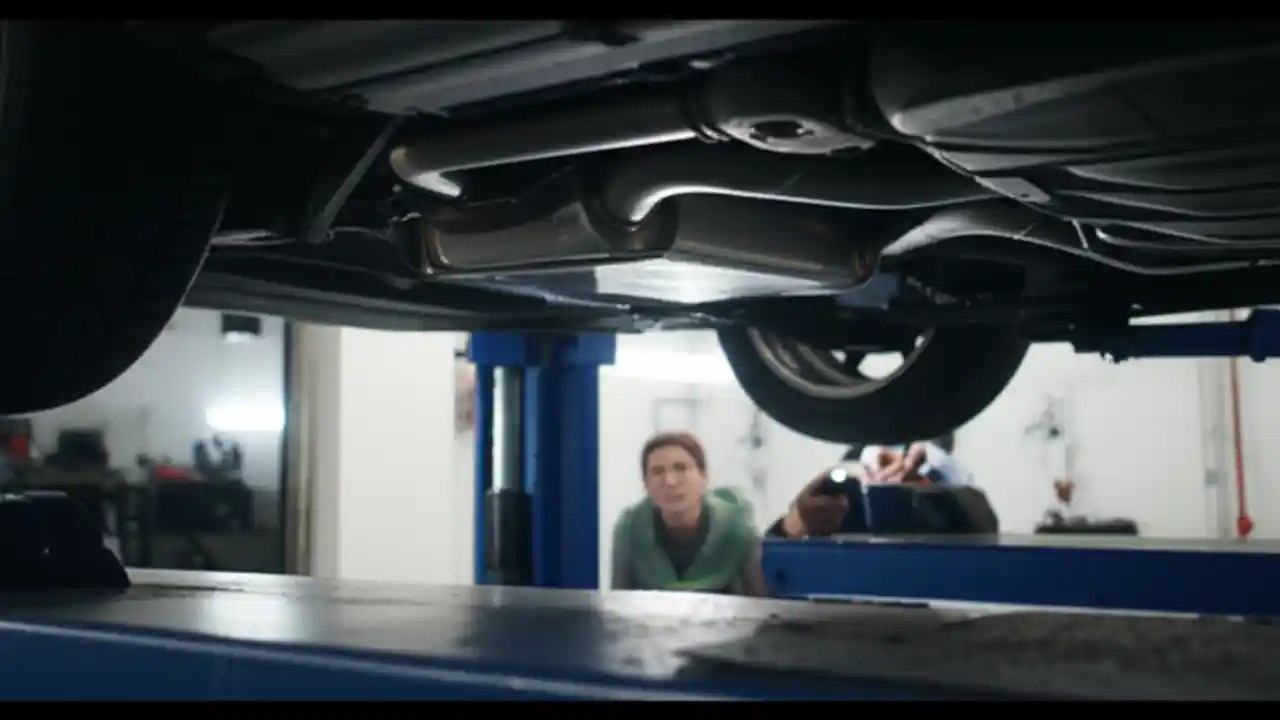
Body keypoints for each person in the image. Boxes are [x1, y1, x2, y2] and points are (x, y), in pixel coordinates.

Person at [611, 431, 768, 596]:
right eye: (658, 472)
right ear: (645, 483)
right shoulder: (630, 529)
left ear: (704, 476)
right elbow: (620, 603)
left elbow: (759, 605)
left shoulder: (737, 529)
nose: (670, 482)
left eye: (681, 468)